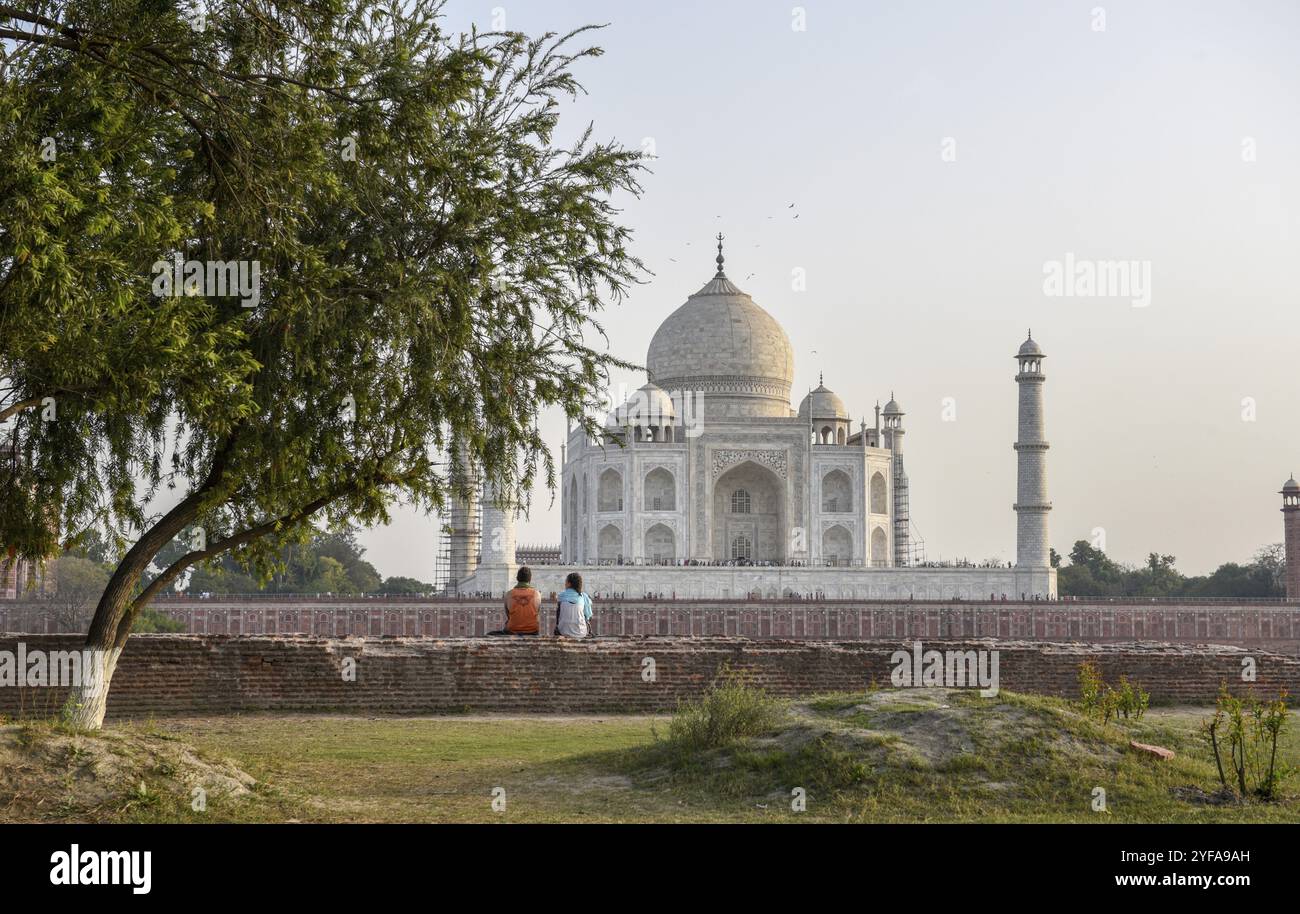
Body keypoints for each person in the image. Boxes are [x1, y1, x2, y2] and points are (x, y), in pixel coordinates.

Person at [491, 566, 540, 635]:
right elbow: (536, 612)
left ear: (517, 578)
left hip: (512, 630)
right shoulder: (536, 594)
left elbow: (508, 614)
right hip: (532, 631)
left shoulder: (509, 594)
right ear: (530, 579)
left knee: (491, 634)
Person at [554, 572, 593, 639]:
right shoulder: (584, 596)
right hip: (581, 633)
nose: (565, 584)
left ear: (569, 584)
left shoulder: (561, 596)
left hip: (563, 632)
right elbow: (589, 616)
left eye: (566, 581)